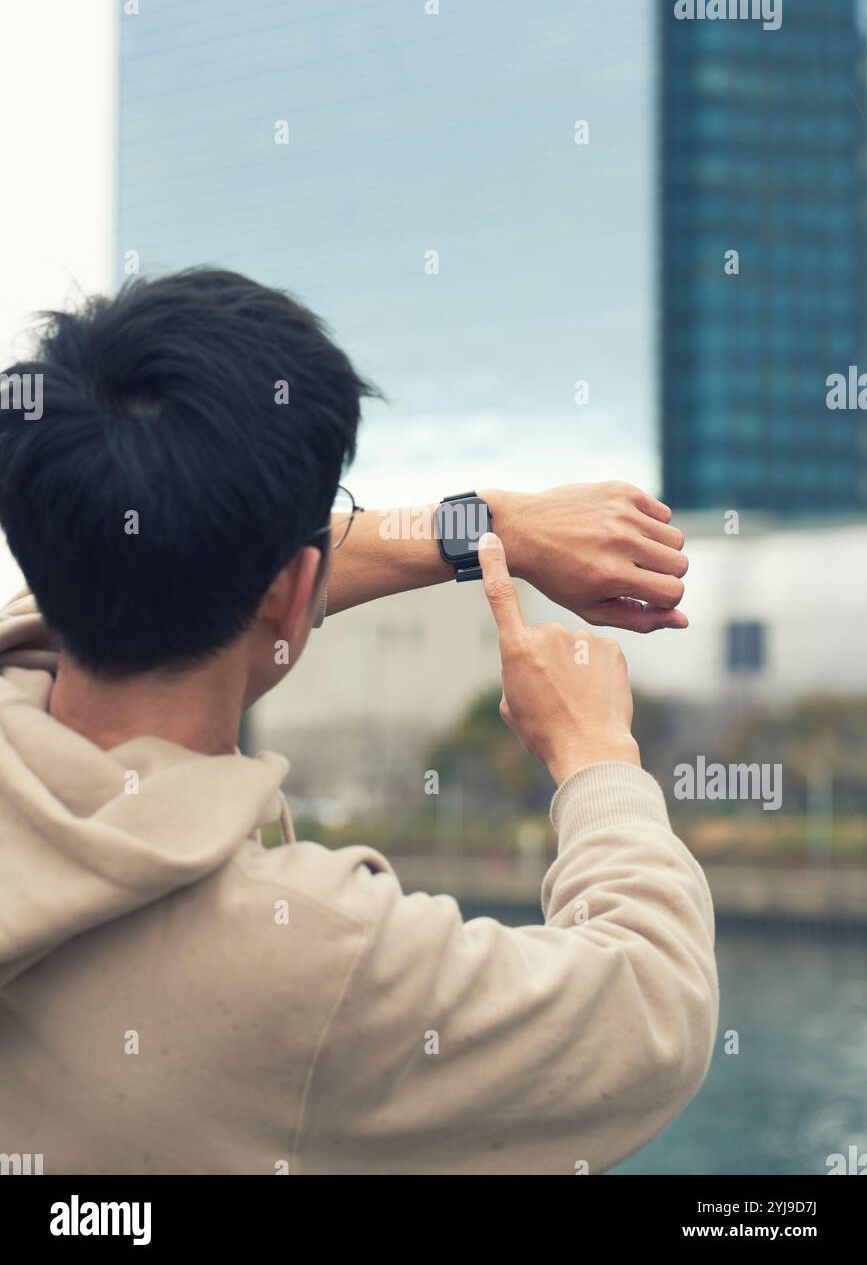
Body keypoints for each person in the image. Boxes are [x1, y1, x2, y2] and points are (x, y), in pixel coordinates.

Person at [0, 268, 716, 1176]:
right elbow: (652, 1012)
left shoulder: (26, 650)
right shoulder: (321, 957)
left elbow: (155, 554)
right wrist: (596, 755)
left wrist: (492, 526)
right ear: (295, 593)